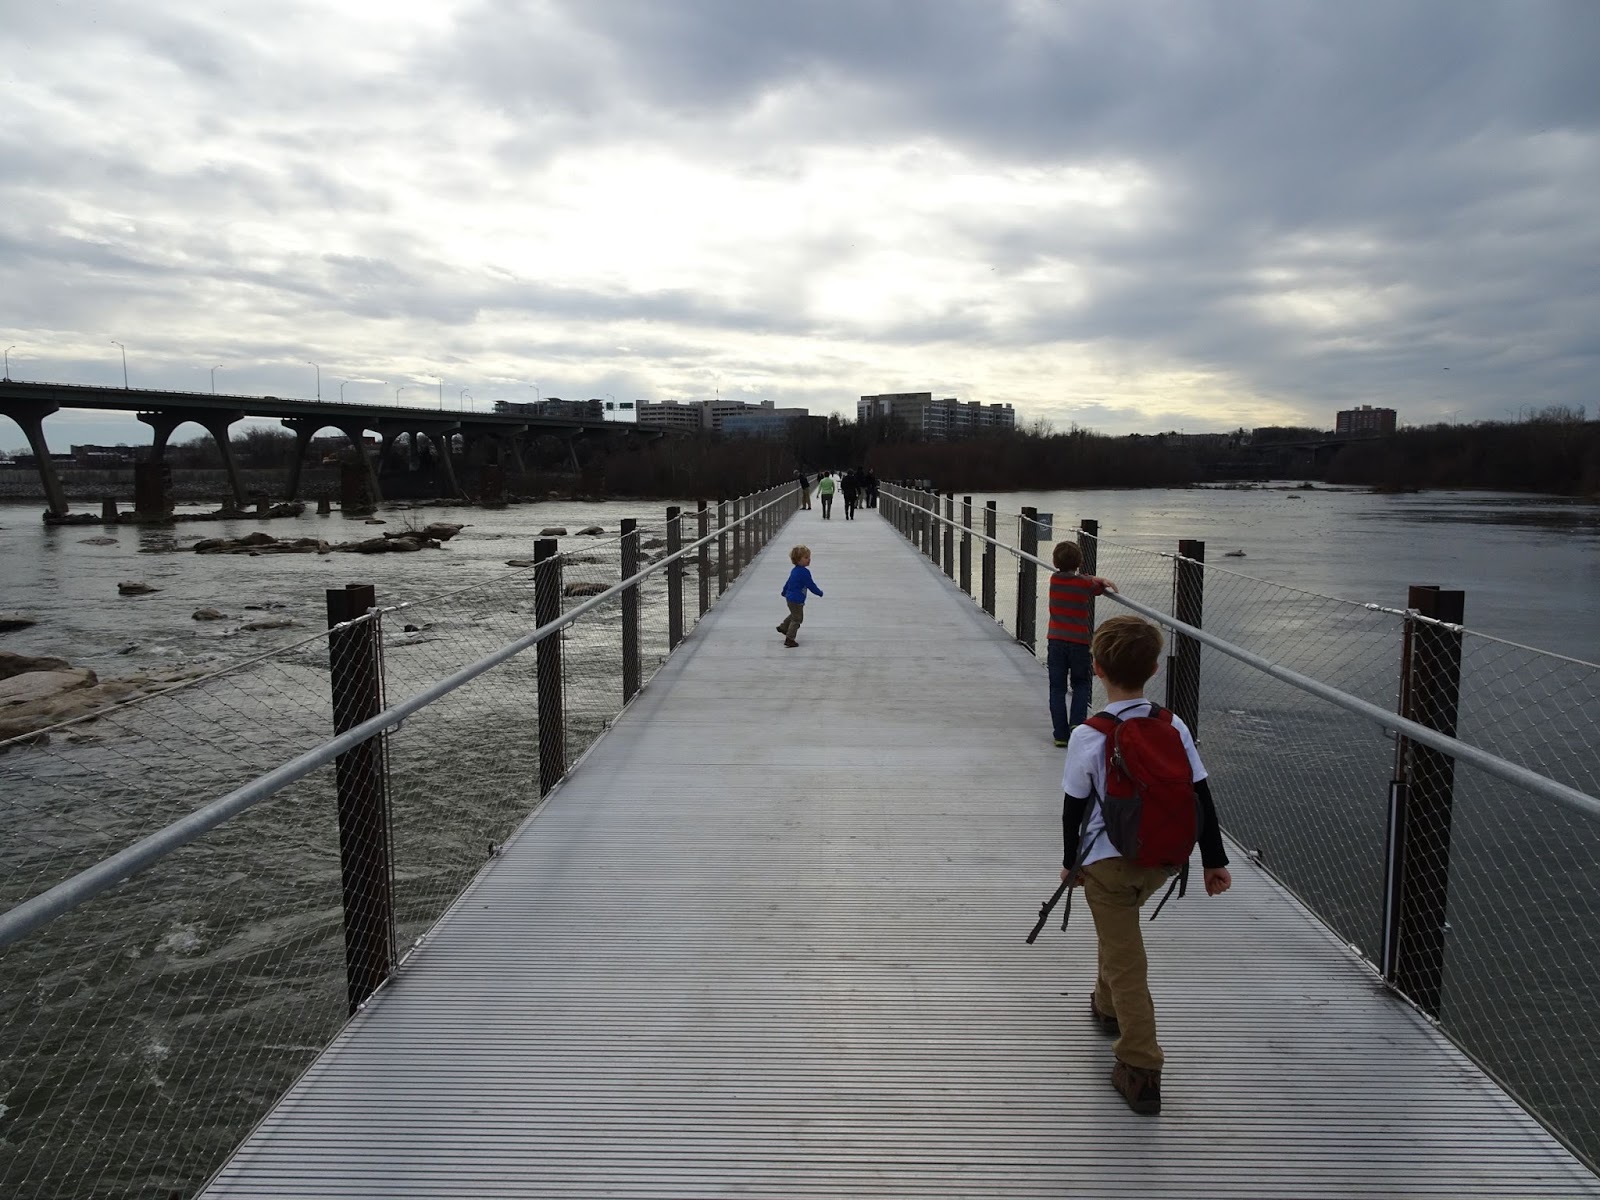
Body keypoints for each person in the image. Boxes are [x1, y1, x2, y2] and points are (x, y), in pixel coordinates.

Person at [1059, 615, 1231, 1116]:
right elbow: (1200, 794)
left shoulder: (1088, 735)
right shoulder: (1171, 724)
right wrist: (1212, 861)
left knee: (1127, 956)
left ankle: (1141, 1067)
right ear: (1155, 669)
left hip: (1107, 865)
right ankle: (1104, 1003)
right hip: (1161, 861)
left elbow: (1073, 808)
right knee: (1119, 934)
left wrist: (1072, 863)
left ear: (1096, 669)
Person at [1046, 541, 1117, 746]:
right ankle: (1077, 725)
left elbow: (1082, 580)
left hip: (1056, 641)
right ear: (1080, 563)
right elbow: (1097, 588)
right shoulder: (1084, 584)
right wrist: (1099, 578)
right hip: (1079, 642)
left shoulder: (1054, 579)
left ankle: (1060, 734)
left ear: (1054, 561)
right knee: (1081, 684)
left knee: (1057, 689)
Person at [776, 544, 823, 647]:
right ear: (797, 560)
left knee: (794, 614)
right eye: (806, 558)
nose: (809, 560)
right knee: (797, 618)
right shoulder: (804, 572)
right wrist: (819, 592)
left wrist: (784, 591)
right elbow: (810, 585)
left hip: (790, 598)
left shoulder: (795, 571)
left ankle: (784, 627)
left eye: (809, 557)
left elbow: (788, 582)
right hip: (797, 599)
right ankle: (790, 638)